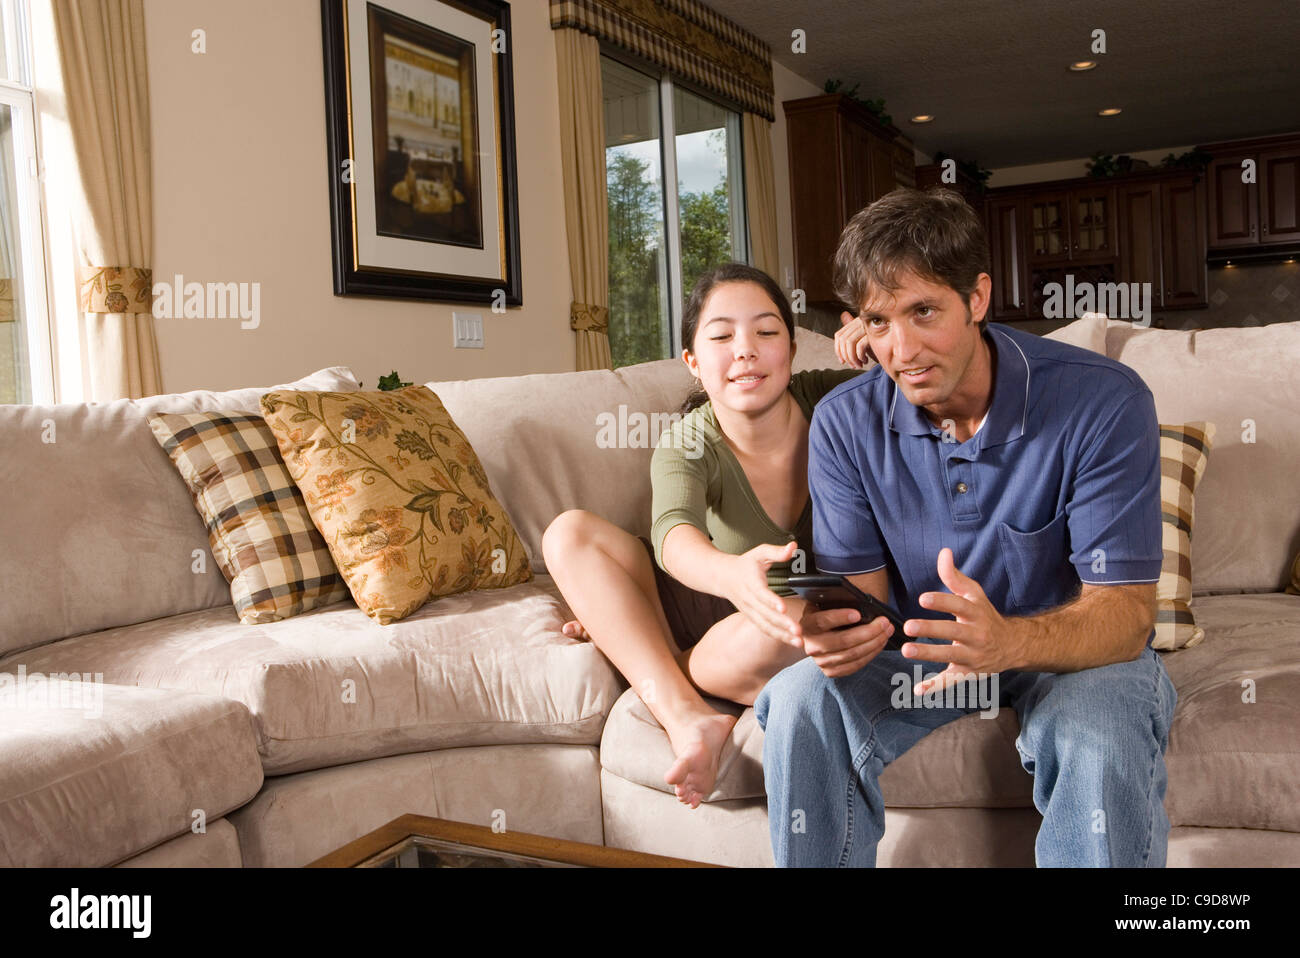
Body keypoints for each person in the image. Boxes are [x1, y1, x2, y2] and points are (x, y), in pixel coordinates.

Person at [753, 187, 1177, 867]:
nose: (902, 349)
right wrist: (832, 631)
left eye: (924, 312)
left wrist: (1006, 641)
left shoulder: (1102, 399)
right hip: (922, 655)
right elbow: (867, 609)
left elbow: (1125, 616)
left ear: (977, 298)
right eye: (879, 322)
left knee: (1100, 730)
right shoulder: (843, 422)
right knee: (802, 696)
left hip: (1068, 656)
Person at [542, 262, 882, 809]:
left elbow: (921, 377)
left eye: (766, 332)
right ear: (694, 363)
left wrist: (879, 330)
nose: (744, 350)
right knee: (568, 532)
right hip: (685, 599)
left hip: (769, 623)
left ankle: (642, 653)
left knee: (800, 617)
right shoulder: (688, 442)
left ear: (792, 352)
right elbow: (671, 534)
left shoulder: (831, 401)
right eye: (721, 336)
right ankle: (688, 716)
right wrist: (732, 574)